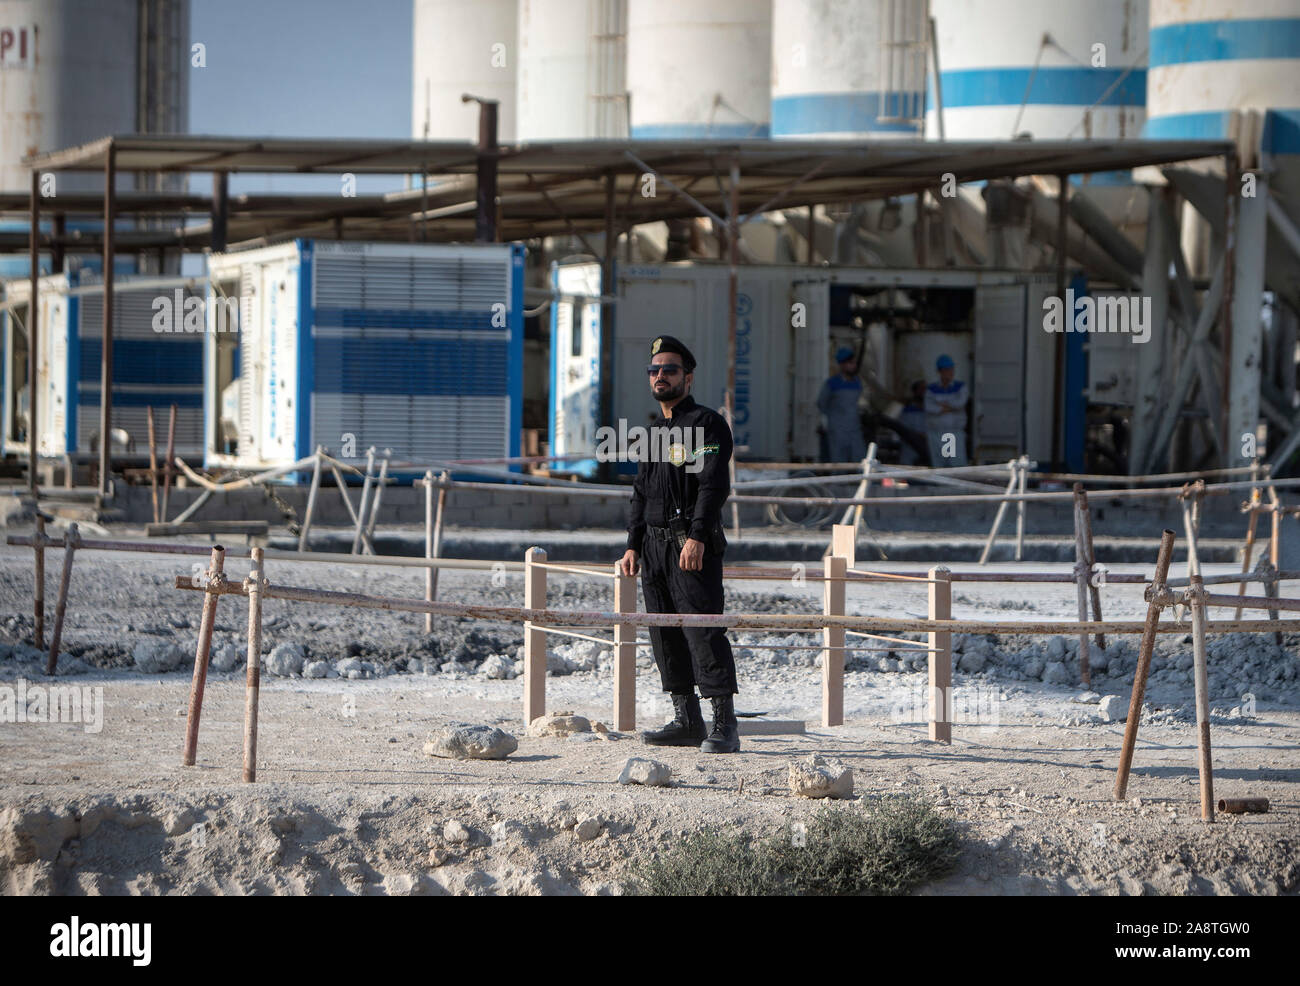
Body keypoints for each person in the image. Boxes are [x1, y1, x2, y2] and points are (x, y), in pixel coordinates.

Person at [618, 335, 740, 754]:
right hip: (652, 549)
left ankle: (724, 722)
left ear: (687, 377)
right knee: (664, 633)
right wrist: (632, 544)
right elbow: (641, 492)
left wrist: (698, 535)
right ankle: (687, 719)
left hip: (690, 545)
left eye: (669, 369)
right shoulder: (652, 431)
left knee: (703, 631)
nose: (659, 375)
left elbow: (712, 484)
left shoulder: (706, 424)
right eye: (654, 370)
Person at [816, 346, 867, 463]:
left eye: (854, 363)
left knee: (861, 460)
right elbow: (821, 403)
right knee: (838, 462)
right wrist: (833, 419)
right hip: (837, 431)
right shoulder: (832, 384)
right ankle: (838, 481)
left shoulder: (857, 383)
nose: (853, 366)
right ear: (842, 365)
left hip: (854, 429)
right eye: (850, 363)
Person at [924, 354, 970, 467]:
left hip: (952, 432)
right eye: (946, 370)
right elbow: (929, 407)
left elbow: (960, 403)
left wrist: (941, 405)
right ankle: (941, 485)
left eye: (951, 370)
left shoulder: (960, 387)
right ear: (940, 371)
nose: (949, 373)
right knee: (939, 464)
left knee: (955, 463)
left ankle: (954, 485)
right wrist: (949, 407)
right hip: (936, 432)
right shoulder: (932, 389)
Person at [897, 380, 929, 466]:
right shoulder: (907, 411)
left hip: (930, 446)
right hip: (910, 448)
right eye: (921, 389)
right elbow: (904, 430)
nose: (923, 392)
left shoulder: (933, 410)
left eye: (925, 389)